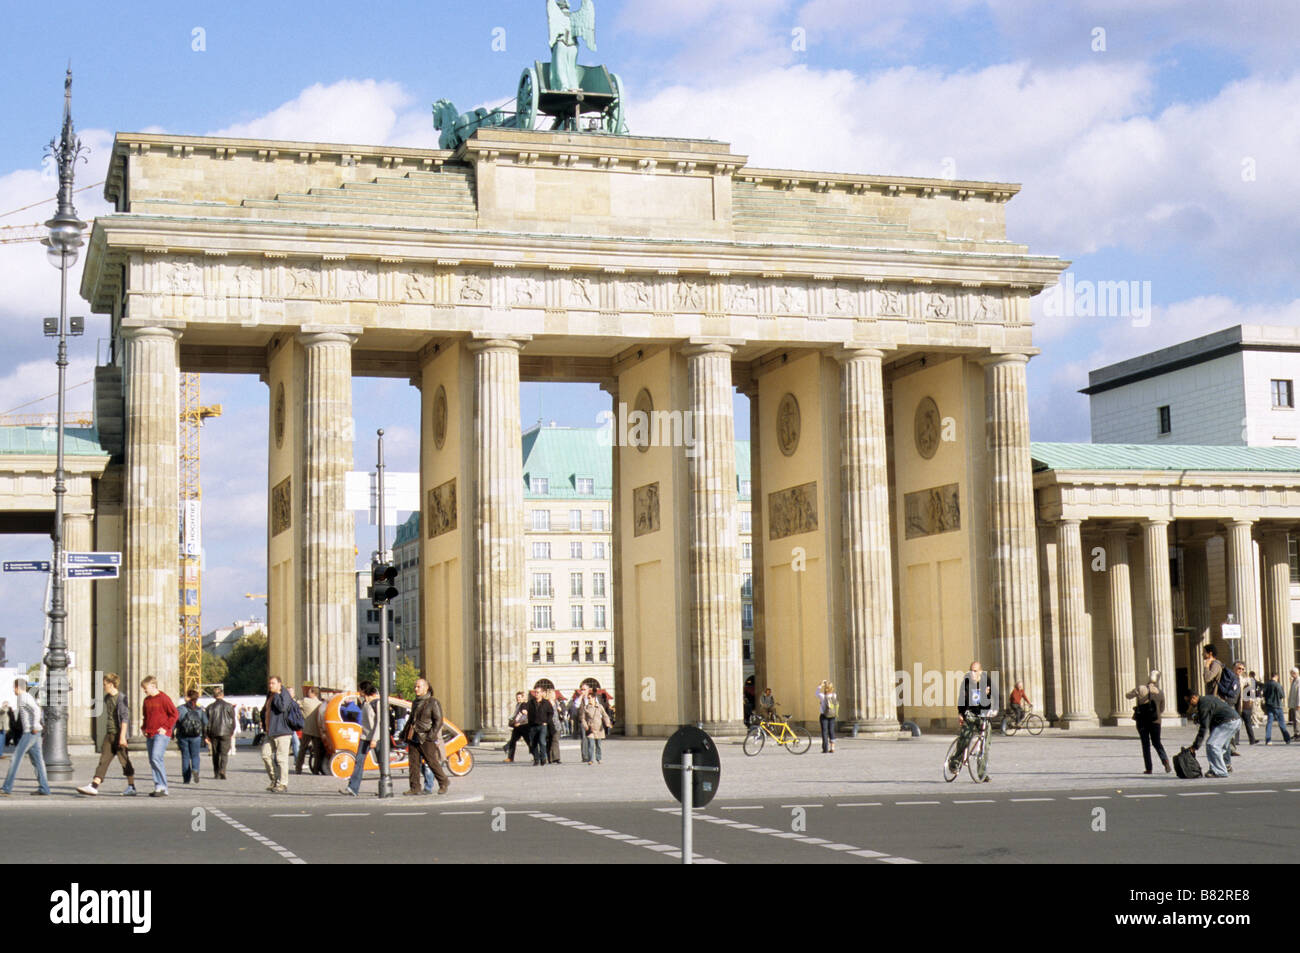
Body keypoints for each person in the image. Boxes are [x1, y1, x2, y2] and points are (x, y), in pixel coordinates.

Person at [76, 673, 137, 796]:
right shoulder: (107, 698)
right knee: (103, 760)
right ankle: (94, 785)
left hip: (119, 734)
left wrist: (122, 736)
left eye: (104, 684)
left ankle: (131, 787)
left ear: (111, 684)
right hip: (109, 734)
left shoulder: (121, 698)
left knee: (125, 761)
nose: (103, 687)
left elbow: (125, 718)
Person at [0, 677, 50, 797]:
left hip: (30, 732)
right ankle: (44, 788)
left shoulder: (24, 697)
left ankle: (7, 788)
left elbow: (37, 710)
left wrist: (34, 725)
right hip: (35, 732)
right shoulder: (26, 697)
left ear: (18, 687)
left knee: (16, 758)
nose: (13, 690)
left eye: (14, 688)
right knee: (37, 761)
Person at [947, 661, 994, 781]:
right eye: (971, 670)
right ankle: (955, 761)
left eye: (975, 670)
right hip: (970, 714)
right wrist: (961, 714)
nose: (972, 673)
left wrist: (994, 710)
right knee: (965, 737)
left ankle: (982, 773)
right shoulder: (967, 682)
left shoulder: (987, 681)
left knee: (985, 744)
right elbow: (962, 699)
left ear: (981, 671)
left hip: (983, 715)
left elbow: (996, 696)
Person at [405, 677, 450, 795]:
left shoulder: (433, 702)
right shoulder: (416, 702)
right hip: (414, 735)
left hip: (426, 736)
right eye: (415, 686)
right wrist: (404, 733)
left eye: (418, 687)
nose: (416, 689)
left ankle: (443, 782)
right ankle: (415, 787)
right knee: (413, 763)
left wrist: (431, 735)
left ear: (426, 688)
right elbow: (412, 719)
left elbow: (438, 721)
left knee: (432, 762)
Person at [1187, 690, 1240, 778]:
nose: (1189, 704)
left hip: (1228, 722)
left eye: (1189, 701)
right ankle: (1225, 765)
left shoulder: (1203, 704)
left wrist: (1195, 746)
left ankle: (1220, 771)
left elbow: (1204, 727)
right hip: (1235, 720)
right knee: (1221, 746)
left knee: (1212, 745)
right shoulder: (1207, 700)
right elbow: (1212, 723)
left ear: (1194, 697)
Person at [1125, 675, 1170, 774]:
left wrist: (1136, 694)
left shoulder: (1141, 688)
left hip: (1142, 720)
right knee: (1157, 742)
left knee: (1145, 744)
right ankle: (1165, 760)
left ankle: (1149, 768)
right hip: (1155, 721)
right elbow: (1162, 709)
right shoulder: (1160, 692)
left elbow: (1128, 695)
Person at [140, 675, 177, 797]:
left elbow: (174, 714)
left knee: (156, 757)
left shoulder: (164, 698)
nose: (144, 691)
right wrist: (144, 728)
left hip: (161, 733)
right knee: (152, 760)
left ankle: (163, 786)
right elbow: (146, 717)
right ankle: (158, 786)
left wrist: (166, 727)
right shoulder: (146, 701)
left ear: (153, 686)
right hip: (150, 733)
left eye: (146, 688)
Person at [342, 683, 380, 796]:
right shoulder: (364, 703)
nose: (359, 692)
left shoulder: (377, 703)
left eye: (360, 690)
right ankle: (353, 788)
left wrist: (375, 738)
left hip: (376, 737)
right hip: (364, 736)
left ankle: (384, 786)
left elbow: (379, 722)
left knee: (382, 762)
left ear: (364, 690)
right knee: (359, 761)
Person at [260, 675, 295, 793]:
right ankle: (275, 779)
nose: (271, 686)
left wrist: (276, 695)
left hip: (283, 732)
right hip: (270, 731)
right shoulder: (269, 695)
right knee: (265, 755)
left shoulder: (284, 694)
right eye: (269, 683)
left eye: (273, 683)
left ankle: (283, 783)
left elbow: (282, 707)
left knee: (281, 759)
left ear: (279, 684)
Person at [175, 690, 209, 784]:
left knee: (185, 756)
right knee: (195, 755)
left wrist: (172, 733)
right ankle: (195, 769)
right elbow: (205, 723)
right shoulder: (199, 710)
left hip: (183, 735)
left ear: (188, 697)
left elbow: (175, 721)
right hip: (196, 736)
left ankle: (186, 778)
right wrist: (206, 735)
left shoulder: (180, 709)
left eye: (185, 696)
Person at [205, 687, 236, 779]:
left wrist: (206, 735)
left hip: (213, 732)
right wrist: (231, 731)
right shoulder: (229, 706)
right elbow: (232, 721)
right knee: (224, 753)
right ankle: (223, 770)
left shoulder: (209, 707)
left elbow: (206, 723)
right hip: (226, 732)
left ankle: (216, 772)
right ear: (222, 695)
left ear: (214, 696)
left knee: (215, 753)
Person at [579, 687, 612, 764]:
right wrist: (585, 725)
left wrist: (607, 723)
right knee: (591, 744)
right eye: (588, 698)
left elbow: (605, 715)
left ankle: (599, 758)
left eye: (590, 698)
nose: (589, 699)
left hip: (599, 728)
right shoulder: (585, 708)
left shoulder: (599, 707)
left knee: (598, 745)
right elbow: (582, 718)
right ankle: (590, 759)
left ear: (594, 698)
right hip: (590, 728)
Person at [296, 686, 324, 775]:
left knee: (302, 749)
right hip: (317, 731)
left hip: (307, 729)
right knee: (317, 751)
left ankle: (298, 768)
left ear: (312, 693)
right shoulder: (321, 704)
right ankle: (315, 770)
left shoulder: (305, 701)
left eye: (309, 692)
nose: (308, 693)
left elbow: (296, 704)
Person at [1259, 673, 1291, 745]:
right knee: (1281, 722)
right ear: (1277, 677)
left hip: (1269, 705)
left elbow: (1263, 694)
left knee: (1269, 722)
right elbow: (1282, 695)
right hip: (1277, 705)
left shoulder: (1266, 684)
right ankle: (1287, 738)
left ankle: (1268, 739)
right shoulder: (1278, 685)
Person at [1232, 662, 1257, 749]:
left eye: (1243, 669)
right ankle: (1236, 740)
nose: (1241, 670)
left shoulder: (1245, 681)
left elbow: (1250, 694)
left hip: (1245, 705)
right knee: (1237, 723)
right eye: (1239, 668)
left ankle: (1251, 739)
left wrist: (1251, 702)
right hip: (1236, 704)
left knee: (1247, 723)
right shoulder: (1233, 678)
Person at [527, 688, 553, 767]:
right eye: (535, 692)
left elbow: (551, 713)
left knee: (542, 741)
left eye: (538, 692)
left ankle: (543, 758)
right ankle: (536, 759)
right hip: (533, 725)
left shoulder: (546, 703)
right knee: (533, 743)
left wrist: (546, 722)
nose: (536, 694)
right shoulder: (531, 702)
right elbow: (525, 707)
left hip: (542, 725)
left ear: (542, 693)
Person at [504, 691, 530, 763]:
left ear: (522, 698)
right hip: (517, 727)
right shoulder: (518, 704)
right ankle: (510, 757)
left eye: (519, 697)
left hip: (523, 726)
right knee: (513, 741)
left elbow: (525, 715)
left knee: (529, 741)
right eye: (517, 697)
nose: (518, 699)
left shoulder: (523, 705)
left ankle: (537, 755)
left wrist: (519, 722)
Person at [816, 680, 838, 754]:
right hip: (832, 715)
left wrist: (820, 685)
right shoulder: (834, 695)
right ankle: (832, 747)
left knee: (824, 732)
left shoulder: (822, 696)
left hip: (824, 715)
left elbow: (816, 693)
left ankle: (825, 748)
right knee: (831, 730)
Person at [547, 689, 564, 764]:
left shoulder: (556, 702)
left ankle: (556, 758)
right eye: (552, 694)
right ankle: (550, 758)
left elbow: (560, 711)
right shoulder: (546, 703)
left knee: (555, 740)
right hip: (550, 723)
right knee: (549, 741)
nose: (554, 696)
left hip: (557, 724)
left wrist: (560, 711)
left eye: (554, 694)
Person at [1288, 668, 1300, 736]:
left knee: (1297, 719)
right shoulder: (1294, 681)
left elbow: (1299, 694)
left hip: (1297, 704)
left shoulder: (1299, 681)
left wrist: (1299, 704)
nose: (1291, 675)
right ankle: (1296, 732)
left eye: (1291, 673)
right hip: (1293, 704)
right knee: (1294, 719)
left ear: (1295, 673)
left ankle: (1298, 733)